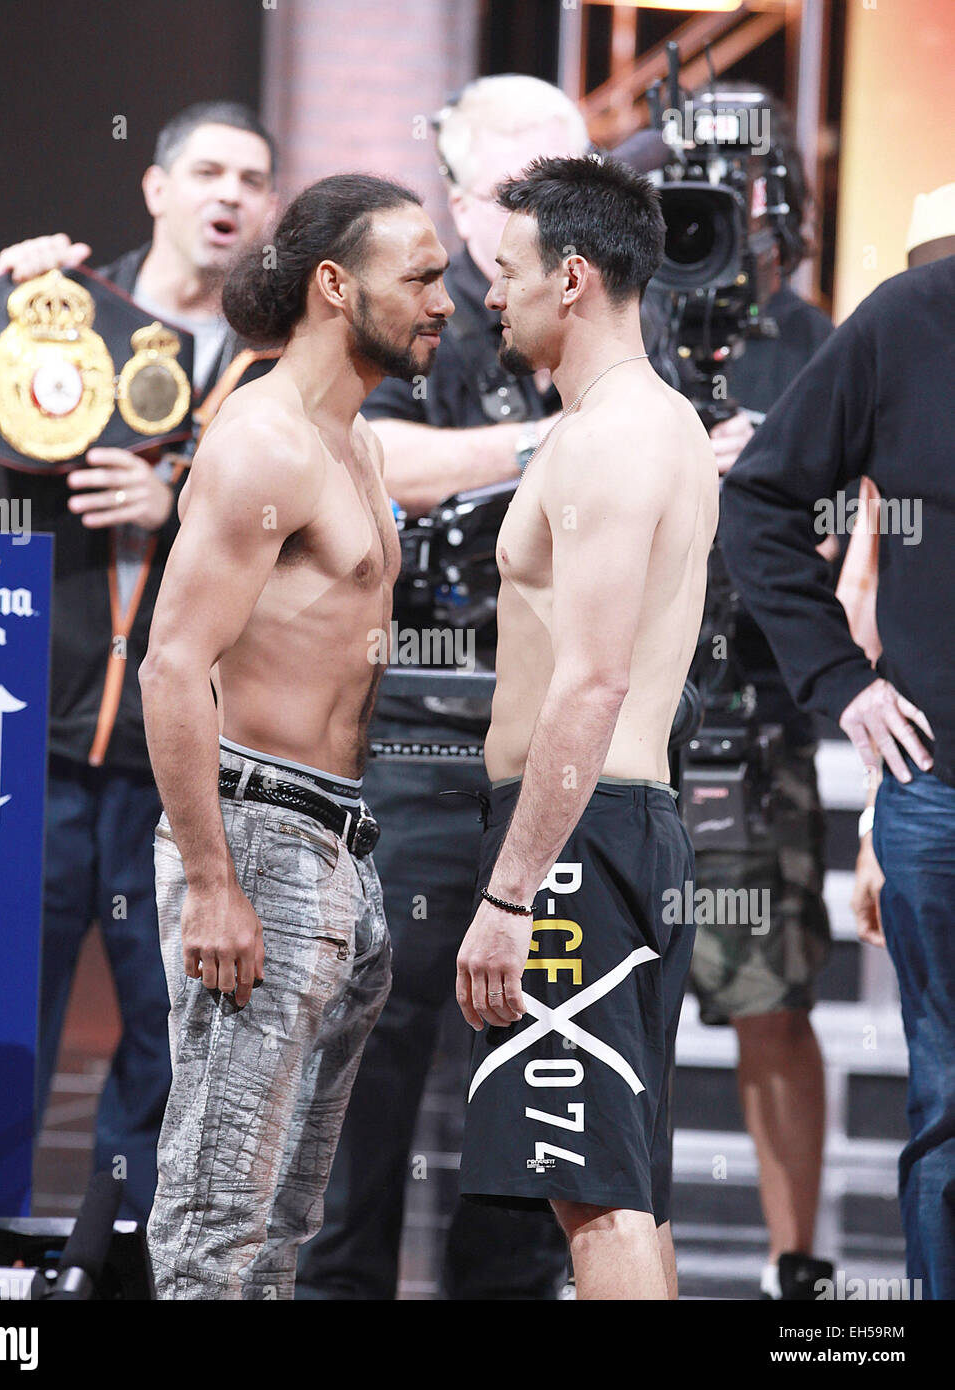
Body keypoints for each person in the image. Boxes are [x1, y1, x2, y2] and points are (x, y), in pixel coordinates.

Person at [0, 100, 278, 1221]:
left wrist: (187, 497)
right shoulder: (60, 312)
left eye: (252, 180)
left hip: (184, 759)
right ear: (155, 188)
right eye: (207, 170)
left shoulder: (278, 362)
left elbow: (324, 524)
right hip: (31, 740)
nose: (229, 195)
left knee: (169, 1029)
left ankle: (116, 1263)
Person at [296, 74, 589, 1302]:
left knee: (535, 1044)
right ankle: (336, 1285)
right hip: (415, 718)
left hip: (557, 723)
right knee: (381, 1028)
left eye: (571, 186)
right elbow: (374, 453)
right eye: (526, 190)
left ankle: (510, 1291)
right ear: (468, 200)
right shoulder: (414, 312)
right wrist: (556, 440)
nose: (553, 215)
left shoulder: (609, 312)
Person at [139, 173, 455, 1300]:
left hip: (337, 842)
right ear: (336, 284)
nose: (444, 301)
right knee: (217, 1218)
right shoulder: (263, 442)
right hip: (257, 837)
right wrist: (217, 882)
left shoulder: (355, 443)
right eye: (419, 276)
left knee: (283, 1222)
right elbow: (170, 665)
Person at [453, 153, 717, 1301]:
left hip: (574, 845)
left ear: (570, 278)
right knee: (624, 1194)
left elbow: (593, 679)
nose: (490, 295)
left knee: (598, 1203)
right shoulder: (638, 423)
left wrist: (512, 894)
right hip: (607, 830)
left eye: (506, 271)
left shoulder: (615, 436)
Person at [720, 241, 955, 1299]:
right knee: (950, 1102)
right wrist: (841, 681)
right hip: (940, 791)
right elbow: (762, 501)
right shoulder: (909, 318)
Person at [676, 84, 837, 1301]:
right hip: (617, 707)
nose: (729, 199)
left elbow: (871, 527)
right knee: (594, 1003)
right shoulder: (619, 317)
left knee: (769, 998)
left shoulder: (825, 341)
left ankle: (799, 1264)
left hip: (757, 715)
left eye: (748, 174)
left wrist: (772, 460)